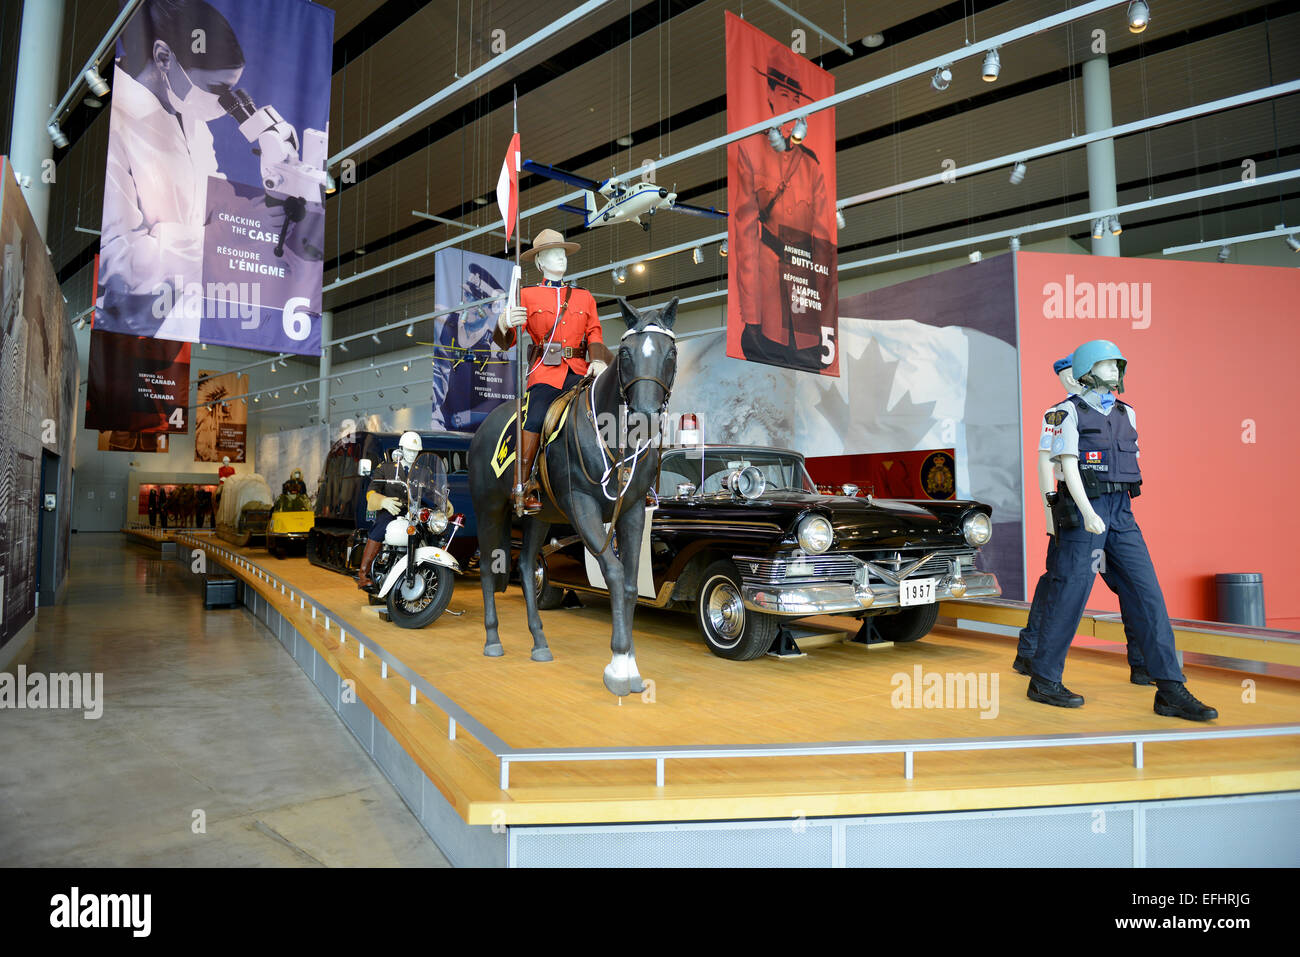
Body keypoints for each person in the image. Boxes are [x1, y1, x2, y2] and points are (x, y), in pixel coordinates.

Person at [1028, 340, 1217, 721]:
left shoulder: (1127, 413)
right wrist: (1081, 512)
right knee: (1069, 594)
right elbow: (1061, 463)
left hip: (1122, 512)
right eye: (1107, 364)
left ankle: (1169, 688)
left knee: (1147, 595)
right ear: (1085, 368)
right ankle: (1044, 679)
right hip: (1086, 511)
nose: (1115, 370)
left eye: (1118, 365)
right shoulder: (1065, 413)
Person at [97, 0, 247, 340]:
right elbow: (117, 261)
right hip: (127, 329)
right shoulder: (117, 120)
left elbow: (214, 196)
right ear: (164, 57)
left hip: (182, 317)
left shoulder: (190, 116)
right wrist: (207, 245)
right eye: (217, 89)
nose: (224, 103)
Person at [1014, 353, 1149, 685]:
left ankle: (1143, 661)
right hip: (1074, 512)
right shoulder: (1062, 412)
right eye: (1065, 376)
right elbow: (1046, 463)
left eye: (1074, 375)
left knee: (1131, 586)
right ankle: (1030, 654)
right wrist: (1050, 516)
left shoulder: (1118, 411)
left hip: (1110, 514)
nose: (1071, 382)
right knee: (1060, 586)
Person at [493, 229, 612, 512]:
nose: (561, 257)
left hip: (580, 371)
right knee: (534, 417)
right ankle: (522, 485)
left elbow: (595, 331)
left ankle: (621, 477)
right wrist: (504, 322)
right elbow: (505, 342)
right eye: (553, 253)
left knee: (610, 409)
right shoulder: (527, 294)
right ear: (540, 262)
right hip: (546, 372)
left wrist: (597, 360)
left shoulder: (584, 297)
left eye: (563, 253)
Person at [732, 44, 832, 372]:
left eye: (796, 98)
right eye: (785, 95)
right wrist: (752, 317)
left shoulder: (812, 165)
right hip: (767, 298)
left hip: (805, 303)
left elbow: (823, 245)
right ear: (770, 94)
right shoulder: (750, 152)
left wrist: (824, 317)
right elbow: (745, 237)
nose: (791, 105)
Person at [432, 262, 513, 431]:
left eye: (474, 299)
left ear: (490, 310)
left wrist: (467, 416)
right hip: (444, 427)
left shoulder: (493, 346)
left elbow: (500, 399)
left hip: (476, 434)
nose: (466, 303)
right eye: (466, 295)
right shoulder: (448, 322)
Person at [355, 432, 436, 589]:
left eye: (415, 451)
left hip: (415, 513)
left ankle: (434, 570)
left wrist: (443, 506)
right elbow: (372, 490)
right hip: (392, 511)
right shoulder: (386, 468)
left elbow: (432, 492)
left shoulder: (424, 471)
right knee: (380, 527)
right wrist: (383, 501)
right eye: (409, 450)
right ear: (402, 449)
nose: (413, 454)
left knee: (434, 532)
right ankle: (363, 574)